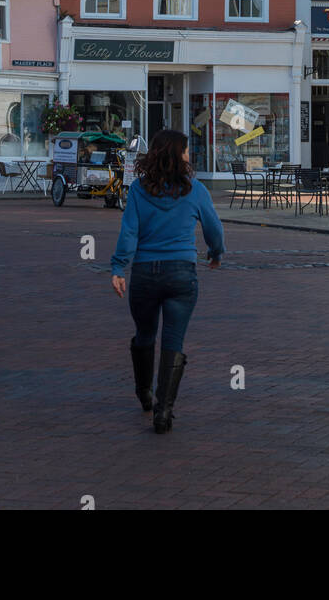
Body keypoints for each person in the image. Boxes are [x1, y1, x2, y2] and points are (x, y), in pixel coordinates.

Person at [111, 128, 225, 434]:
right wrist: (216, 253)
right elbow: (214, 229)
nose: (190, 155)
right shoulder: (196, 190)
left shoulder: (137, 190)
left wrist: (119, 267)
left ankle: (143, 391)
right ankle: (164, 410)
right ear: (178, 154)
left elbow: (129, 232)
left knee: (145, 334)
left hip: (145, 273)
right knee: (173, 341)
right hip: (181, 273)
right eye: (186, 150)